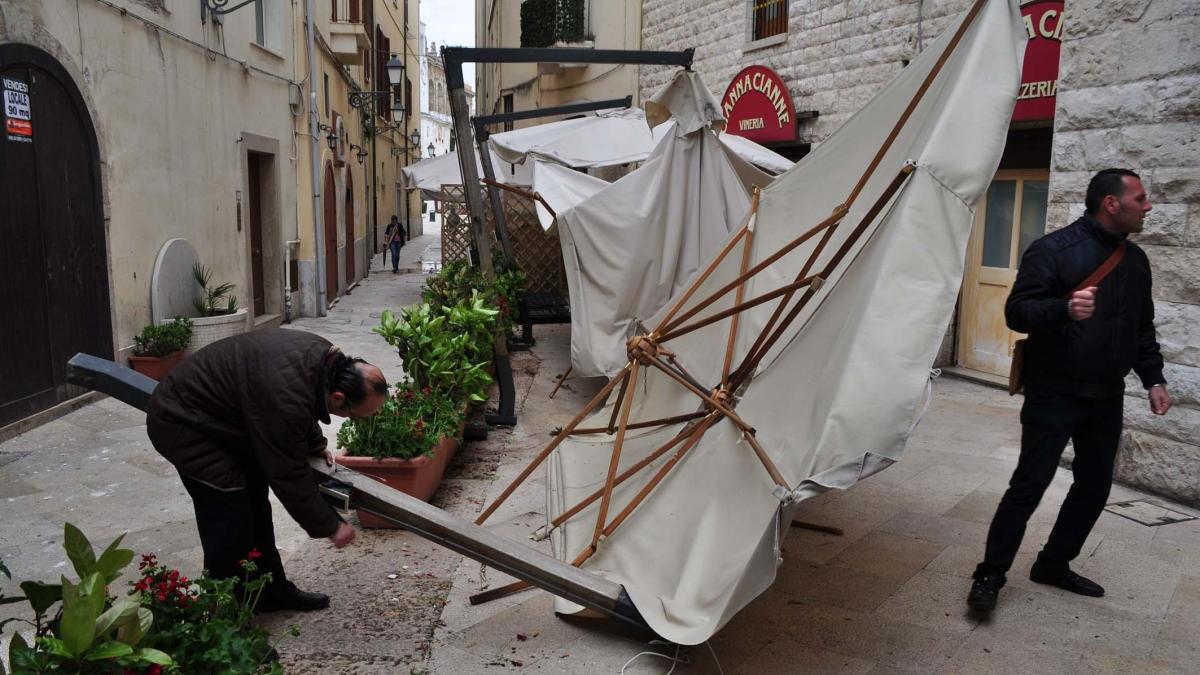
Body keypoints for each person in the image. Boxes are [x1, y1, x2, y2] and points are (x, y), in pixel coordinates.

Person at [967, 169, 1172, 612]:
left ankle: (1053, 564)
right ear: (1112, 204)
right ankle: (990, 574)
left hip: (1106, 395)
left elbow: (1142, 328)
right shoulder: (1053, 250)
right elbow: (1017, 311)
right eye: (1140, 198)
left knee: (1094, 486)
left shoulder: (1136, 261)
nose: (1148, 205)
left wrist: (1153, 379)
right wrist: (1064, 308)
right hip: (1054, 391)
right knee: (1030, 484)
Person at [146, 328, 388, 612]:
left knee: (256, 505)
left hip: (222, 416)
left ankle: (272, 592)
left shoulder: (326, 359)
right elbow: (288, 473)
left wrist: (314, 445)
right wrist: (330, 525)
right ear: (337, 398)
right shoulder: (288, 393)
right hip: (183, 423)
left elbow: (304, 403)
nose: (355, 420)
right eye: (356, 416)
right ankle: (224, 614)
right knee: (229, 516)